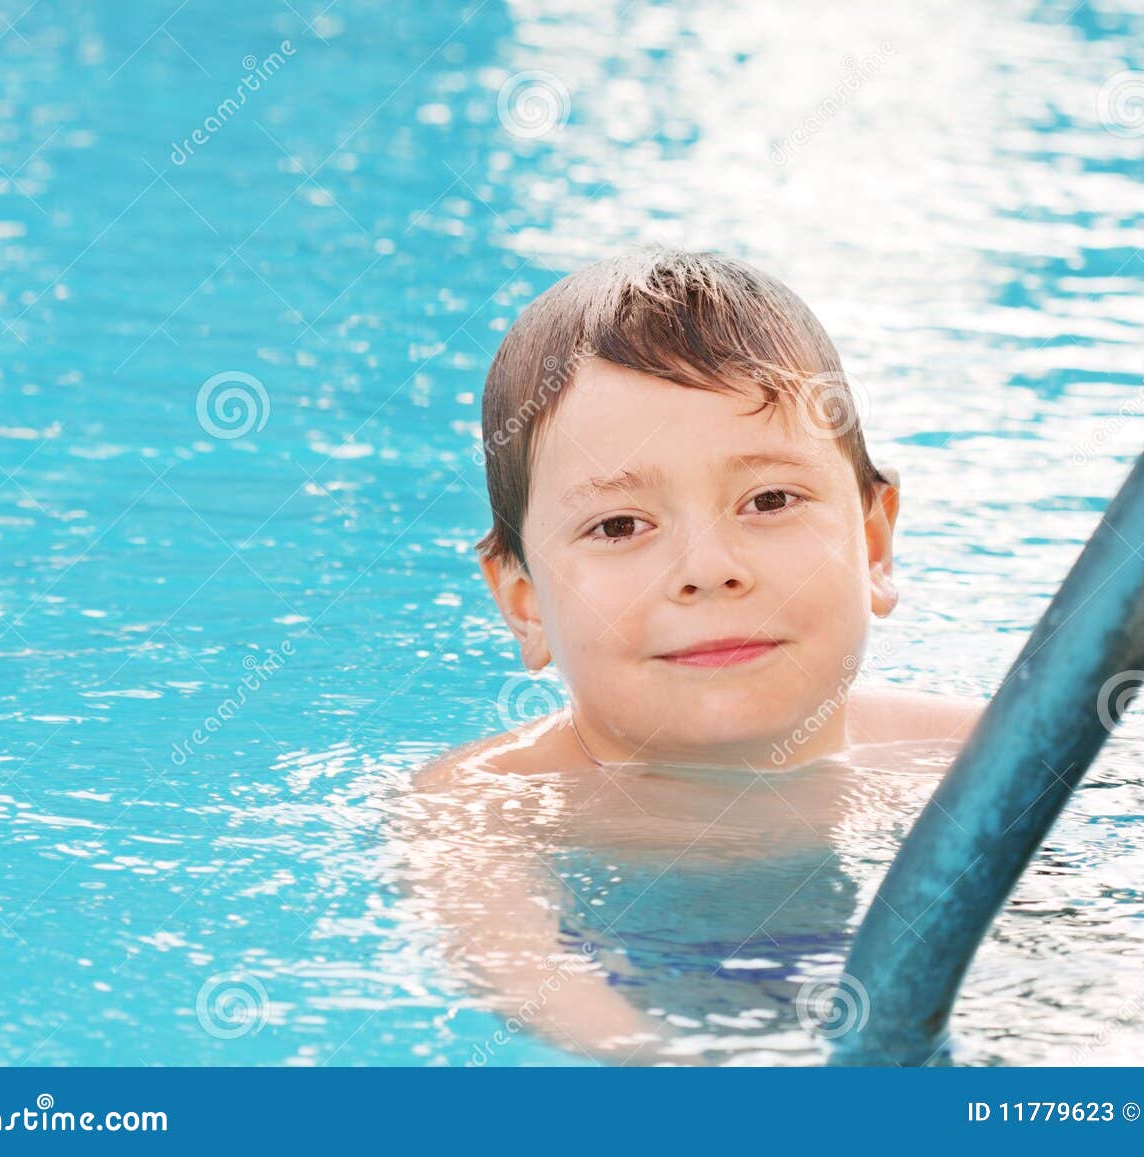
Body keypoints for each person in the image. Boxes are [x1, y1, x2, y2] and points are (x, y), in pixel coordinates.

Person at [403, 247, 982, 1064]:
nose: (709, 568)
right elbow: (522, 972)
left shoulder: (977, 759)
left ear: (874, 543)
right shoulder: (482, 810)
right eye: (619, 525)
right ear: (524, 602)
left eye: (770, 500)